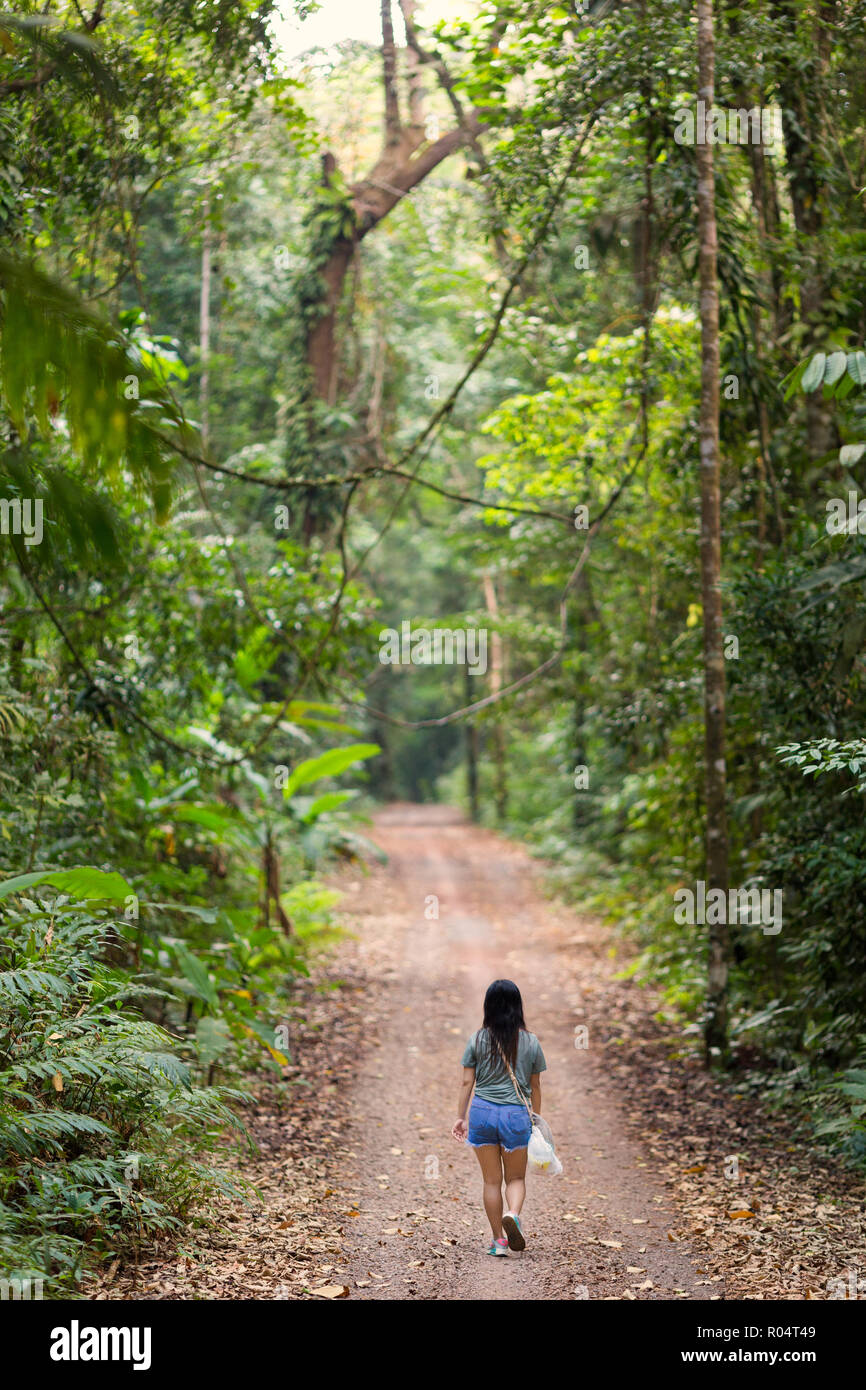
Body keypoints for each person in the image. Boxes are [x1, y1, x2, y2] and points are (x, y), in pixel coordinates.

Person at [451, 979, 546, 1255]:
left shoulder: (477, 1039)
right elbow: (536, 1086)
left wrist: (460, 1117)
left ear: (488, 1006)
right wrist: (536, 1118)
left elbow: (466, 1083)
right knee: (515, 1178)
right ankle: (513, 1214)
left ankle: (498, 1242)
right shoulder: (530, 1042)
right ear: (518, 1006)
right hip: (516, 1114)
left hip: (482, 1113)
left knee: (491, 1181)